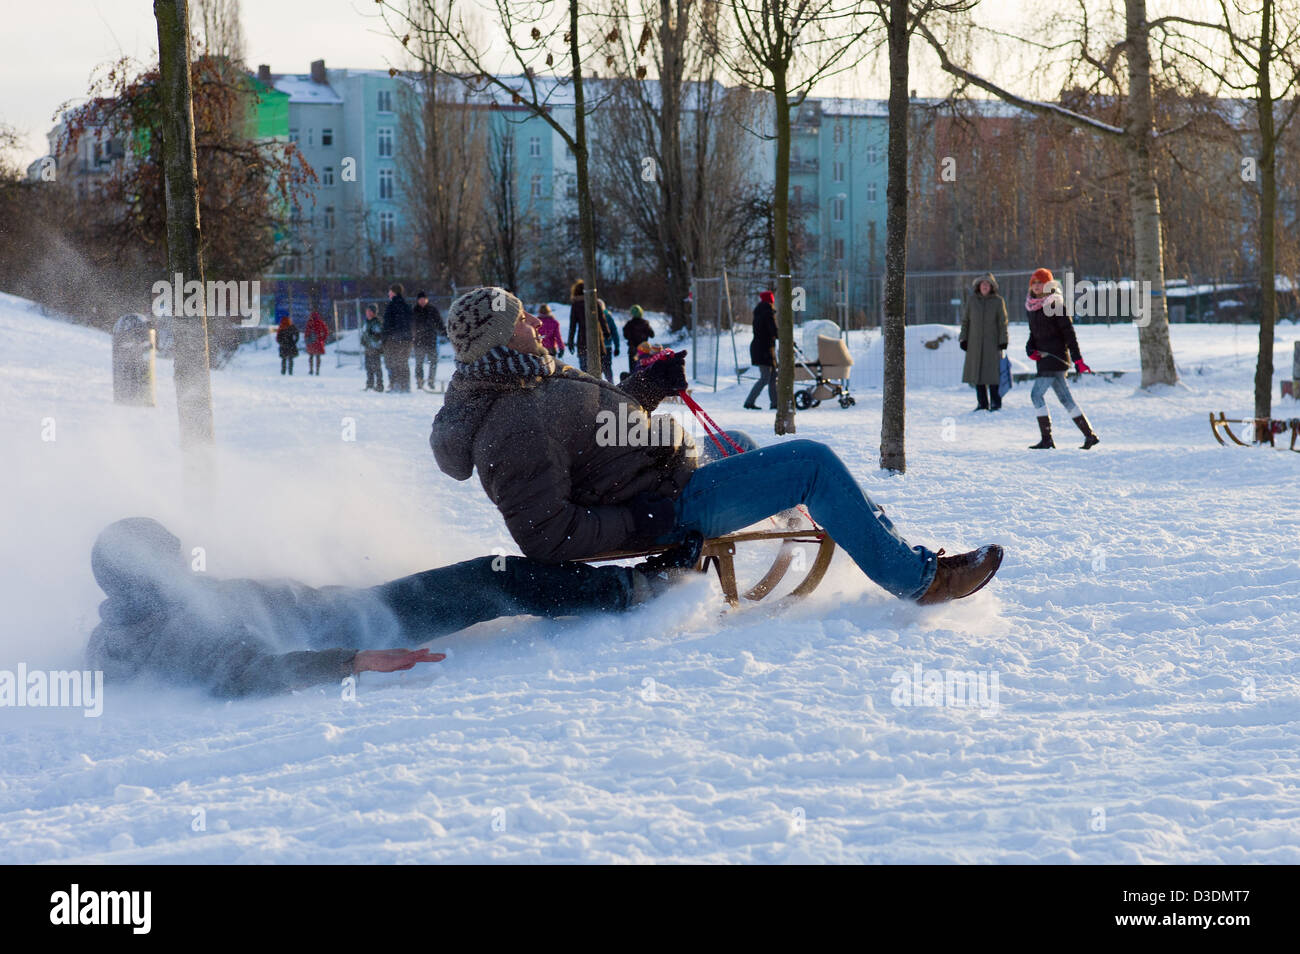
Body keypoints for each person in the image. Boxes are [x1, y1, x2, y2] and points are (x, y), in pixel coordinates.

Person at [432, 287, 1004, 605]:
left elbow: (598, 440)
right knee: (812, 460)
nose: (534, 320)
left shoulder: (527, 378)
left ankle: (862, 533)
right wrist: (641, 520)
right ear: (499, 338)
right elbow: (547, 535)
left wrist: (645, 390)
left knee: (739, 440)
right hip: (668, 504)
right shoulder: (514, 424)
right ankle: (919, 579)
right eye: (519, 317)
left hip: (663, 475)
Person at [85, 517, 673, 699]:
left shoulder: (130, 625)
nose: (187, 564)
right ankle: (637, 590)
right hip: (362, 619)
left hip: (339, 606)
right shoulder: (183, 628)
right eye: (171, 559)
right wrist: (353, 660)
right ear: (148, 577)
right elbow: (247, 672)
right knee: (497, 577)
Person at [1024, 267, 1100, 450]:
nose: (1036, 286)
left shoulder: (1055, 304)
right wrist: (1030, 349)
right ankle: (1089, 435)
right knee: (1066, 400)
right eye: (1034, 282)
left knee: (1036, 395)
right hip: (1044, 359)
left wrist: (1078, 360)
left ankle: (1047, 439)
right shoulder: (1032, 306)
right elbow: (1034, 334)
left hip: (1055, 358)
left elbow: (1069, 334)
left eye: (1040, 282)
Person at [960, 273, 1009, 412]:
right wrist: (963, 338)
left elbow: (1003, 324)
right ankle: (982, 404)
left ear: (992, 287)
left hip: (992, 344)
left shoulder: (998, 301)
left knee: (993, 375)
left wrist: (1003, 341)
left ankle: (996, 403)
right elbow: (965, 321)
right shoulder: (972, 301)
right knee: (978, 374)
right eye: (983, 284)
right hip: (974, 344)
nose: (985, 286)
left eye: (987, 284)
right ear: (978, 286)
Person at [743, 290, 778, 410]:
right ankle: (749, 402)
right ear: (771, 300)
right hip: (764, 349)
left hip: (762, 348)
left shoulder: (760, 311)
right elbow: (773, 331)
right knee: (766, 377)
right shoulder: (768, 312)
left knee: (773, 376)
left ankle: (775, 403)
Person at [566, 279, 606, 375]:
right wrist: (607, 332)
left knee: (585, 373)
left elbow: (573, 325)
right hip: (597, 341)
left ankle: (588, 388)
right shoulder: (595, 303)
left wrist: (570, 341)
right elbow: (602, 319)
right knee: (597, 372)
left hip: (582, 341)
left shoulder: (575, 305)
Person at [382, 283, 413, 392]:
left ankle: (395, 384)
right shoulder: (406, 305)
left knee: (393, 362)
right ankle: (405, 385)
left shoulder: (391, 306)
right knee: (404, 362)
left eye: (389, 292)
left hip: (394, 340)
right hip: (407, 340)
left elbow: (387, 325)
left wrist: (384, 339)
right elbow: (411, 322)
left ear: (394, 292)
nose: (388, 294)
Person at [411, 291, 444, 392]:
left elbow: (439, 323)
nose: (422, 301)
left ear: (427, 299)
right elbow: (410, 325)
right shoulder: (414, 310)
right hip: (418, 342)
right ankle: (420, 381)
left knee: (433, 362)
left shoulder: (432, 310)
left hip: (431, 341)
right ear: (417, 300)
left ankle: (431, 381)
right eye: (420, 299)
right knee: (419, 363)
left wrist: (445, 332)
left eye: (423, 299)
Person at [622, 305, 654, 376]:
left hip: (632, 349)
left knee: (633, 371)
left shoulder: (629, 324)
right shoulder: (645, 323)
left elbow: (625, 335)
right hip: (644, 350)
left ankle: (633, 385)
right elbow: (652, 334)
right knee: (644, 370)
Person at [361, 304, 384, 392]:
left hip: (375, 348)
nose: (367, 313)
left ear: (374, 312)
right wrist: (363, 340)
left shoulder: (377, 322)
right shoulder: (366, 322)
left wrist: (372, 335)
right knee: (368, 367)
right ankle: (370, 384)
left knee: (376, 367)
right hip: (368, 347)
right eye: (367, 311)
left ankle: (379, 385)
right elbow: (364, 333)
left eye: (369, 311)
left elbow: (378, 335)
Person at [597, 298, 620, 383]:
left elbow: (614, 331)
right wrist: (617, 346)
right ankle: (610, 384)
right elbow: (614, 332)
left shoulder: (607, 316)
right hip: (605, 347)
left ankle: (609, 384)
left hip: (602, 347)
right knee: (606, 368)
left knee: (601, 368)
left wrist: (617, 346)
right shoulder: (608, 316)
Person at [304, 309, 330, 376]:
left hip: (311, 343)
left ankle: (311, 370)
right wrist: (322, 339)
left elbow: (306, 333)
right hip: (318, 342)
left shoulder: (309, 323)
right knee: (318, 357)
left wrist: (307, 340)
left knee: (311, 356)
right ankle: (317, 370)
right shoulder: (320, 322)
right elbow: (326, 331)